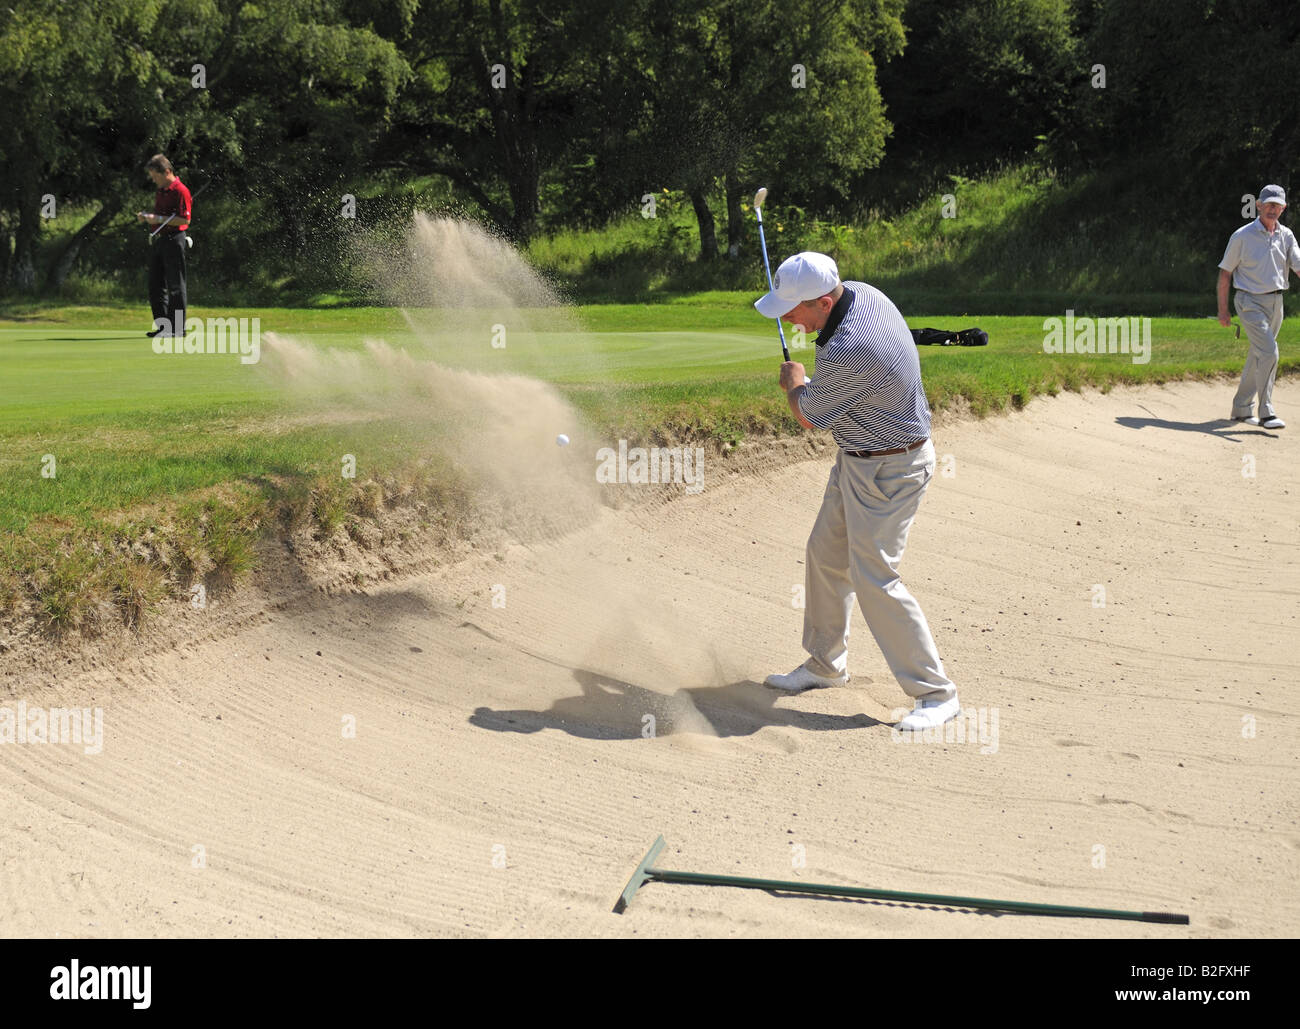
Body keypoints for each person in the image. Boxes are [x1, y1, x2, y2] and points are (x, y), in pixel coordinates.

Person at [756, 251, 960, 732]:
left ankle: (936, 693)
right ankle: (826, 665)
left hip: (891, 471)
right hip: (859, 457)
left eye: (793, 308)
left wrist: (795, 383)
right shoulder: (863, 292)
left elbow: (809, 416)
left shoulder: (854, 347)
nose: (786, 317)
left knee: (875, 578)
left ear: (824, 302)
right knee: (825, 554)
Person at [1217, 183, 1300, 429]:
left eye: (1278, 205)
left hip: (1276, 302)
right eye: (1269, 204)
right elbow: (1225, 275)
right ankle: (1266, 412)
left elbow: (1297, 264)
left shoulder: (1286, 235)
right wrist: (1223, 310)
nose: (1273, 209)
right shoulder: (1242, 235)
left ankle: (1241, 409)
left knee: (1259, 354)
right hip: (1248, 301)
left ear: (1283, 208)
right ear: (1258, 205)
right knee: (1269, 353)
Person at [136, 154, 192, 339]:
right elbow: (161, 215)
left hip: (175, 239)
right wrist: (148, 217)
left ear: (167, 172)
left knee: (176, 285)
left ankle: (177, 329)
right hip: (160, 239)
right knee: (155, 285)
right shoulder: (161, 191)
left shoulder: (181, 191)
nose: (154, 180)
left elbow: (185, 219)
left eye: (156, 176)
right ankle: (164, 327)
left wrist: (157, 219)